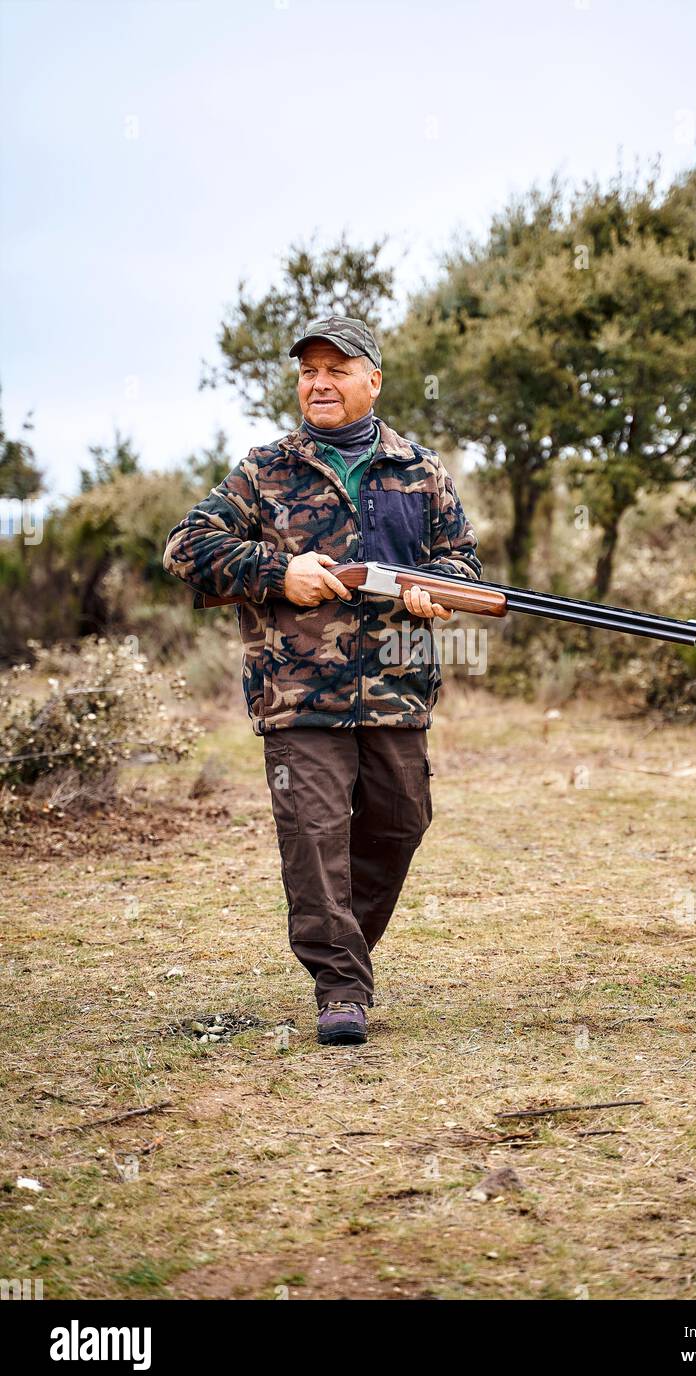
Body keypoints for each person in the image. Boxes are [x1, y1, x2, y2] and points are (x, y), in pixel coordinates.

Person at [163, 315, 481, 1044]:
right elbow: (186, 548)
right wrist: (281, 572)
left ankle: (345, 954)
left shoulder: (420, 471)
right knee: (313, 836)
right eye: (309, 370)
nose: (320, 382)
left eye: (337, 369)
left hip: (398, 695)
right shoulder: (264, 467)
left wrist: (433, 589)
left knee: (400, 825)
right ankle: (340, 987)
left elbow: (464, 564)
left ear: (374, 380)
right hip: (297, 696)